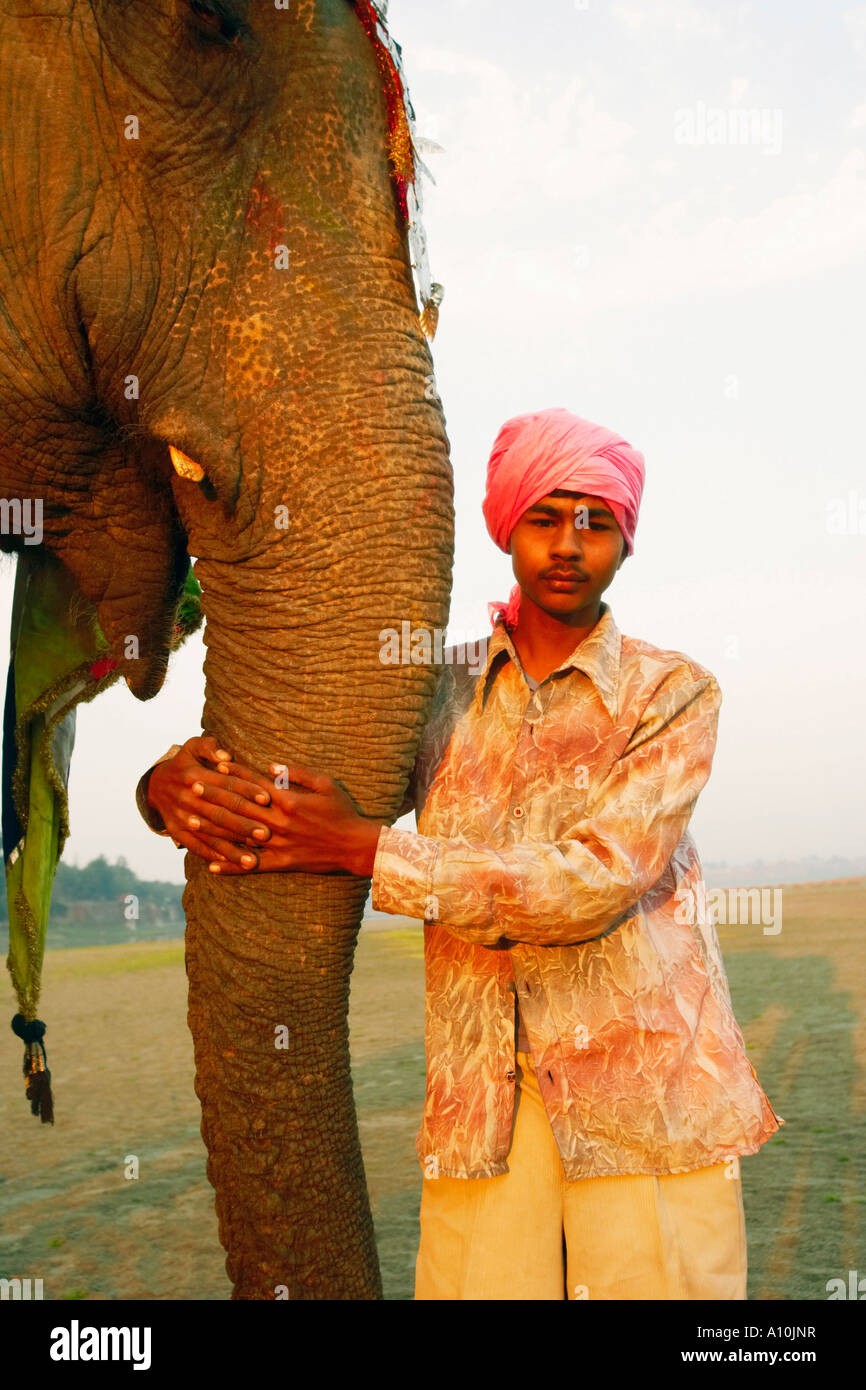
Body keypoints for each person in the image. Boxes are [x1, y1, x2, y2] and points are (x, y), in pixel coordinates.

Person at [137, 407, 782, 1301]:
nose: (569, 544)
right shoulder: (434, 690)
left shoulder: (672, 693)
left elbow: (591, 884)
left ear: (625, 543)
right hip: (484, 1109)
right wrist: (166, 786)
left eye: (596, 521)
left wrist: (372, 850)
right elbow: (298, 786)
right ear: (507, 528)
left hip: (650, 1104)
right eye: (547, 518)